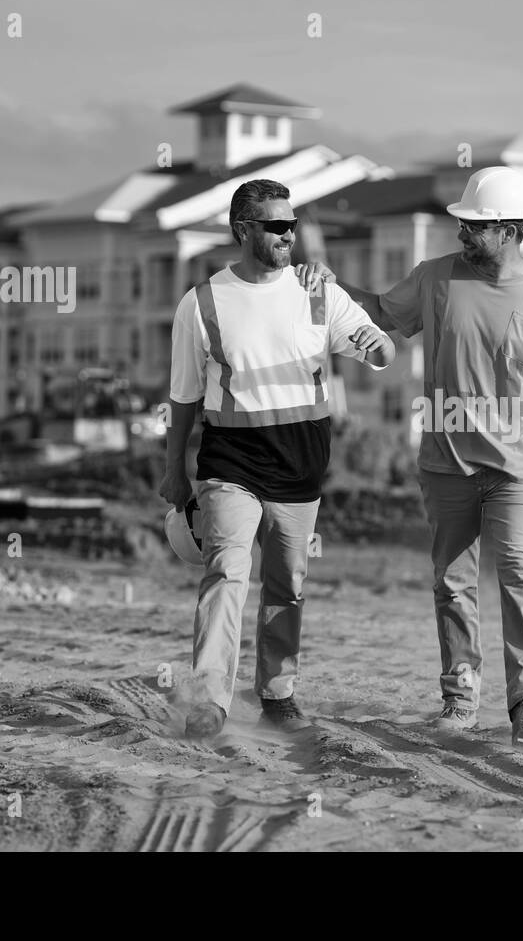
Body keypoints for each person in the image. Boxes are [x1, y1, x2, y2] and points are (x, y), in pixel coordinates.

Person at [303, 166, 523, 745]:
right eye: (463, 224)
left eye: (475, 226)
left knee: (520, 570)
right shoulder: (435, 279)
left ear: (510, 230)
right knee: (452, 582)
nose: (462, 234)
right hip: (445, 461)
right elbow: (380, 315)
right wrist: (329, 287)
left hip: (520, 466)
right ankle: (461, 697)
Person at [159, 178, 394, 739]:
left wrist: (375, 346)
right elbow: (184, 397)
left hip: (300, 464)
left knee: (287, 583)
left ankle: (277, 692)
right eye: (277, 226)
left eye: (292, 224)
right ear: (244, 230)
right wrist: (173, 470)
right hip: (229, 463)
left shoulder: (318, 292)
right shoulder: (202, 304)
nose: (290, 234)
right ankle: (209, 699)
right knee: (227, 571)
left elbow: (376, 344)